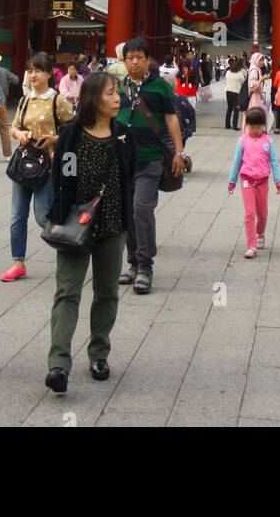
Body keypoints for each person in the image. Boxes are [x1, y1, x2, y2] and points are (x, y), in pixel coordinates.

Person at [44, 71, 136, 394]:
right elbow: (63, 176)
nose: (117, 98)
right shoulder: (70, 135)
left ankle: (99, 354)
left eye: (118, 93)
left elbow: (129, 180)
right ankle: (58, 364)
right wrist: (63, 213)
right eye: (111, 93)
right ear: (94, 98)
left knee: (107, 292)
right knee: (67, 292)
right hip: (75, 227)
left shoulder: (124, 137)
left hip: (112, 226)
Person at [116, 37, 186, 295]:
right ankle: (133, 262)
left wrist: (179, 151)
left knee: (141, 209)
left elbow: (171, 118)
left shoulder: (160, 87)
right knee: (128, 212)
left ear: (147, 60)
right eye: (129, 57)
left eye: (139, 57)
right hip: (123, 160)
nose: (134, 62)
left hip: (150, 158)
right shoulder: (119, 87)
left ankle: (145, 266)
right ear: (124, 61)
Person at [0, 53, 73, 282]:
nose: (32, 75)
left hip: (47, 165)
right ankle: (18, 262)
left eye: (38, 71)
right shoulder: (25, 100)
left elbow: (72, 133)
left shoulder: (57, 101)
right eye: (30, 70)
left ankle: (68, 249)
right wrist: (19, 134)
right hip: (24, 164)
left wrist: (53, 139)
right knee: (17, 216)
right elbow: (14, 127)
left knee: (43, 217)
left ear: (49, 74)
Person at [227, 107, 280, 257]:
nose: (255, 130)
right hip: (247, 180)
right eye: (252, 127)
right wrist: (232, 181)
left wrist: (279, 182)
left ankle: (260, 233)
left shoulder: (268, 142)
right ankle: (251, 245)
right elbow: (236, 162)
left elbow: (274, 163)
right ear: (247, 126)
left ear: (264, 126)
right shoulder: (242, 141)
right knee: (250, 213)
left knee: (262, 214)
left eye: (258, 127)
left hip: (263, 181)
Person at [225, 56, 246, 129]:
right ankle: (234, 125)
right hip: (236, 93)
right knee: (236, 109)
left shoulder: (228, 72)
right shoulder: (240, 73)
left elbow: (226, 80)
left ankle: (227, 124)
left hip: (228, 92)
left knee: (229, 108)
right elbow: (243, 83)